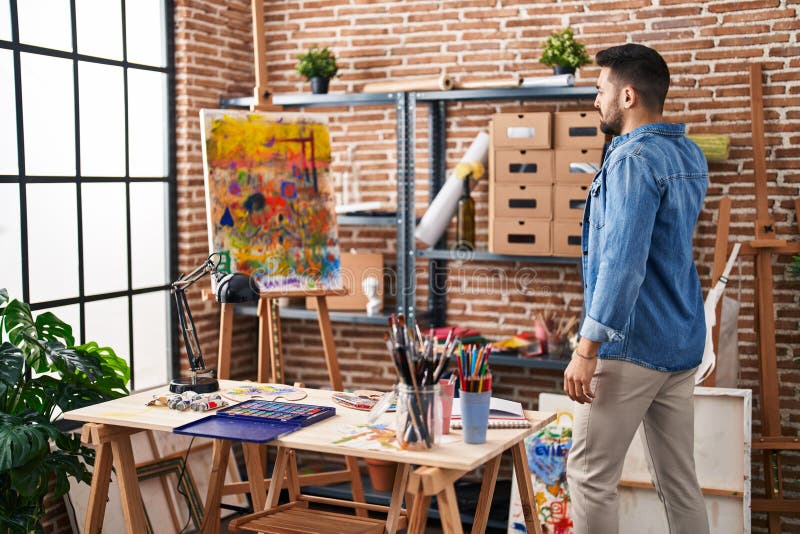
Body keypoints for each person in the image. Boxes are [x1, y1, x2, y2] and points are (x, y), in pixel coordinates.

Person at [563, 43, 710, 534]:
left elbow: (623, 265)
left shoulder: (632, 160)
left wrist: (588, 347)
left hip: (629, 347)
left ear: (627, 96)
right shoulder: (685, 152)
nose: (596, 98)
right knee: (680, 482)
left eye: (601, 88)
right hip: (681, 341)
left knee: (589, 476)